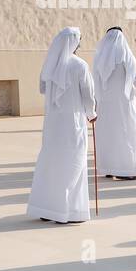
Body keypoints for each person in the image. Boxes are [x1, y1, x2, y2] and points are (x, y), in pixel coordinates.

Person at [28, 27, 97, 223]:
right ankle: (68, 210)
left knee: (51, 162)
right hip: (72, 122)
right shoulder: (79, 65)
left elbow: (42, 88)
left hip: (52, 123)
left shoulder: (50, 65)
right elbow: (88, 94)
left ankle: (47, 207)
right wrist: (92, 114)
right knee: (73, 163)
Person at [92, 27, 136, 180]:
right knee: (126, 133)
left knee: (108, 134)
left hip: (105, 105)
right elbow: (135, 78)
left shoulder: (99, 58)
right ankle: (125, 169)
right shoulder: (126, 55)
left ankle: (108, 167)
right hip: (124, 104)